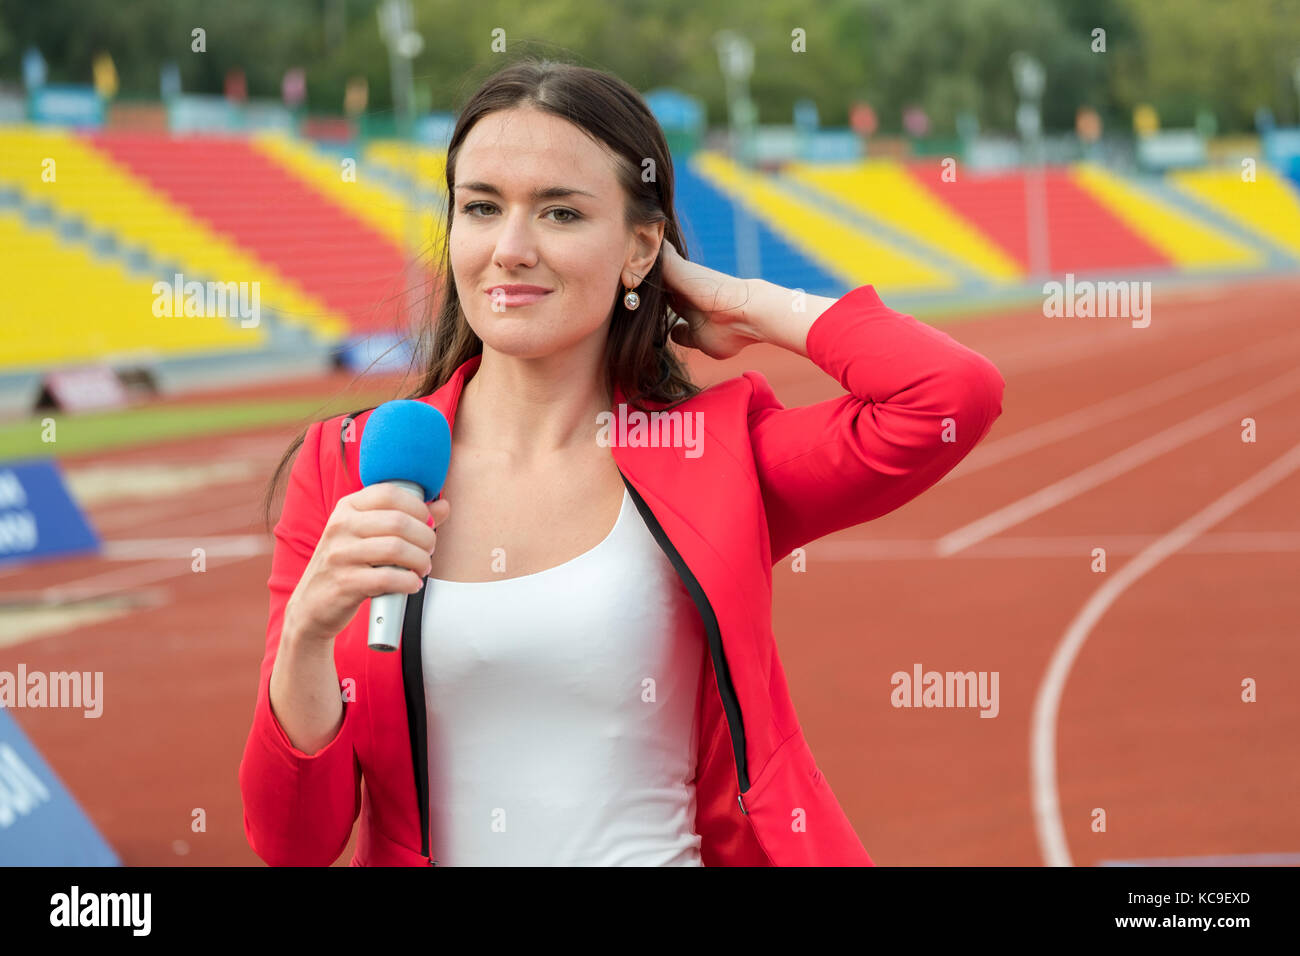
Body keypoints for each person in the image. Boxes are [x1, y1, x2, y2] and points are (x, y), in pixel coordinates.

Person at [240, 57, 1005, 866]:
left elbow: (950, 396)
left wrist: (746, 302)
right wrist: (307, 639)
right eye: (481, 208)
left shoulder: (714, 456)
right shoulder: (348, 467)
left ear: (641, 248)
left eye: (561, 213)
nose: (510, 249)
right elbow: (293, 844)